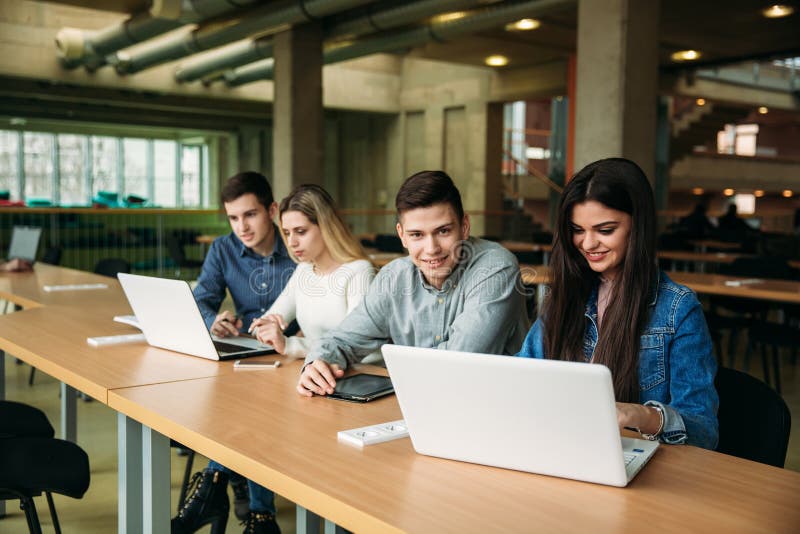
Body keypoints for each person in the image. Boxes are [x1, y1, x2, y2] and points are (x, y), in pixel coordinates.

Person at [516, 158, 718, 450]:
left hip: (635, 465)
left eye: (605, 230)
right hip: (562, 450)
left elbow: (704, 432)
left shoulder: (677, 309)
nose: (587, 244)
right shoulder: (566, 296)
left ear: (638, 226)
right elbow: (521, 378)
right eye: (577, 230)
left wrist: (642, 415)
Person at [298, 170, 529, 397]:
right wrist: (318, 364)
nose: (431, 249)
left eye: (443, 231)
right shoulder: (393, 277)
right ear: (402, 235)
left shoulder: (496, 268)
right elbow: (342, 341)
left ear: (465, 226)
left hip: (493, 409)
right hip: (420, 407)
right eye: (417, 234)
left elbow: (461, 361)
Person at [174, 171, 295, 534]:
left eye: (250, 215)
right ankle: (259, 516)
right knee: (229, 393)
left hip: (295, 356)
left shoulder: (297, 246)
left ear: (271, 210)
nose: (241, 226)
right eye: (233, 217)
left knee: (249, 401)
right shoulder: (223, 249)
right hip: (247, 355)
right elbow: (200, 301)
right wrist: (213, 320)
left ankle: (215, 486)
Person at [249, 184, 376, 361]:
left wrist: (289, 344)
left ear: (326, 227)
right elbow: (260, 325)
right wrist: (266, 327)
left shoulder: (359, 271)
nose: (291, 242)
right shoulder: (304, 270)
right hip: (319, 369)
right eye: (286, 233)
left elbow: (351, 344)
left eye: (300, 232)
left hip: (361, 374)